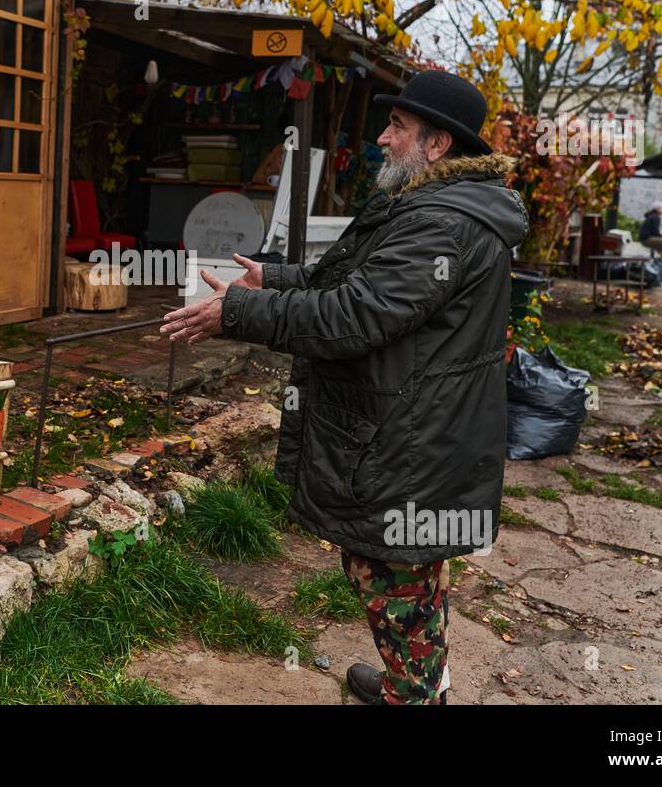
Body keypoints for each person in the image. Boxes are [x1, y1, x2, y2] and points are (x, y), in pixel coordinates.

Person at [160, 70, 529, 705]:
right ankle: (414, 681)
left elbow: (354, 316)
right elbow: (360, 279)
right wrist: (275, 279)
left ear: (437, 144)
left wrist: (237, 314)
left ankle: (413, 696)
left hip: (415, 438)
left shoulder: (440, 223)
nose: (382, 137)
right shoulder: (438, 205)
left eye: (398, 127)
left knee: (389, 569)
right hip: (427, 428)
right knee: (410, 568)